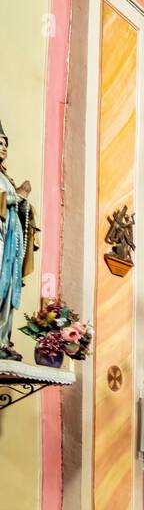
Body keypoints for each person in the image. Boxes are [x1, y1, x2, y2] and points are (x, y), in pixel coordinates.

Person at [0, 123, 37, 361]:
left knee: (9, 290)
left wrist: (24, 204)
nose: (3, 147)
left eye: (5, 144)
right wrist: (17, 196)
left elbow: (15, 205)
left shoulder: (6, 179)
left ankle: (2, 340)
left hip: (10, 244)